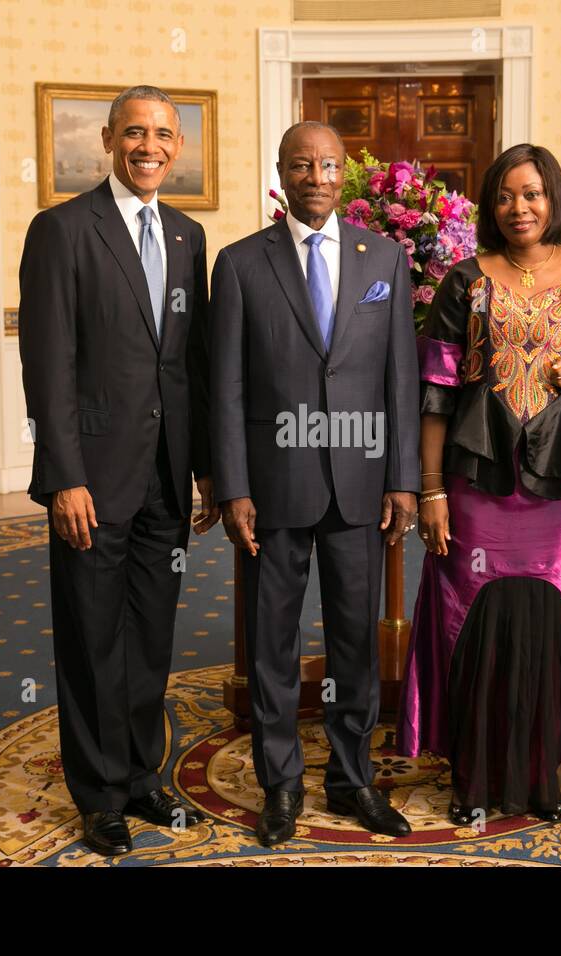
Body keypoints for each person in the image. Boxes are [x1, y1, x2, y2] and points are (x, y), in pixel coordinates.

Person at [399, 144, 561, 824]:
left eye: (530, 194)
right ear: (490, 207)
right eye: (505, 196)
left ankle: (544, 773)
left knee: (556, 617)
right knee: (471, 617)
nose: (519, 207)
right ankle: (471, 779)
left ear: (553, 197)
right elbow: (436, 393)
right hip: (476, 478)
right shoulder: (464, 280)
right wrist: (432, 490)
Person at [18, 85, 220, 857]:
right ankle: (98, 793)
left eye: (163, 135)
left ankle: (140, 777)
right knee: (92, 639)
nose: (149, 146)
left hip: (166, 477)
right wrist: (63, 476)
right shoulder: (63, 230)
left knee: (150, 638)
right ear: (108, 139)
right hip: (91, 481)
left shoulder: (186, 235)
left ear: (177, 147)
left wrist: (203, 467)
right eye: (135, 132)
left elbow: (190, 364)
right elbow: (49, 366)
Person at [210, 121, 420, 847]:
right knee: (272, 641)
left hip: (362, 486)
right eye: (302, 165)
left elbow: (400, 377)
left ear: (344, 176)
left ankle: (353, 777)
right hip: (273, 487)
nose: (318, 176)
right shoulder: (239, 265)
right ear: (282, 174)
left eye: (330, 164)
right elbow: (226, 387)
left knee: (357, 642)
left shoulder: (385, 258)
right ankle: (281, 783)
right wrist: (232, 485)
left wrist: (404, 480)